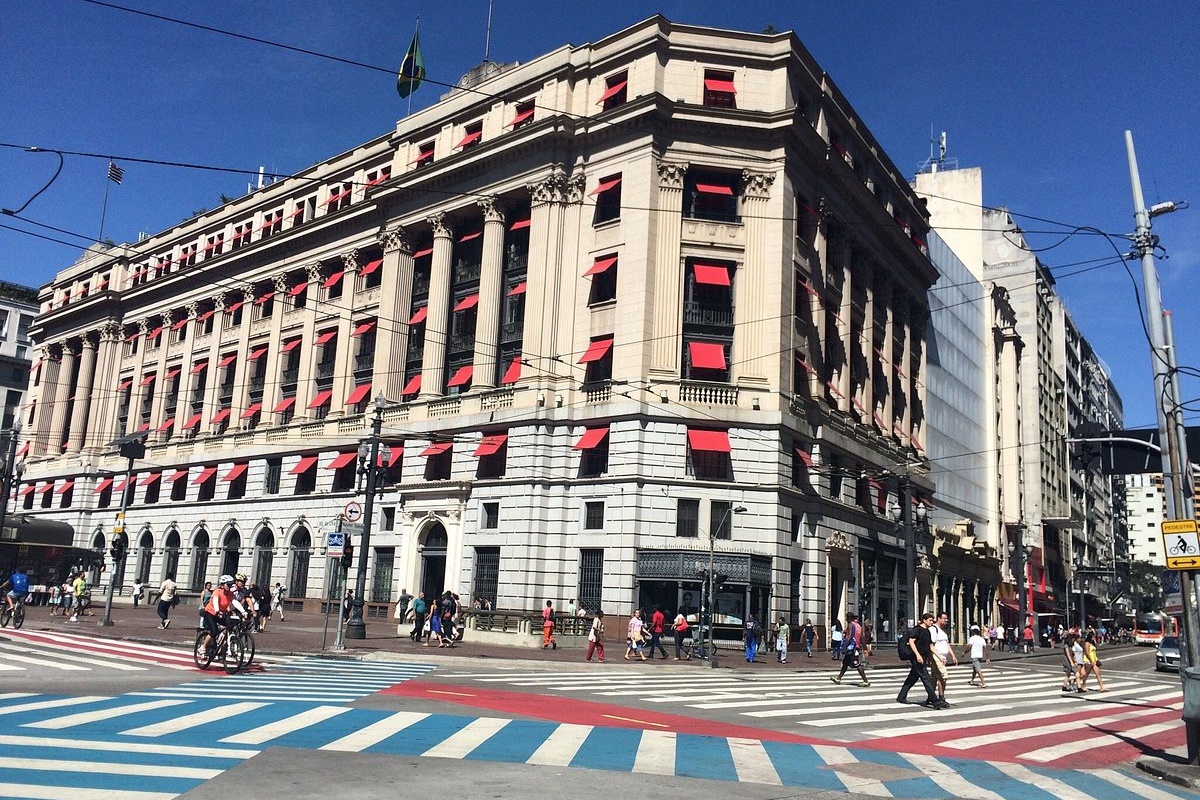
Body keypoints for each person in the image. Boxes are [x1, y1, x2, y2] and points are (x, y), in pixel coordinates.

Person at [897, 612, 947, 709]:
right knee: (926, 678)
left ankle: (901, 697)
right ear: (924, 620)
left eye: (932, 621)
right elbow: (911, 641)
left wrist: (939, 657)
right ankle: (935, 701)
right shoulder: (917, 630)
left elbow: (931, 646)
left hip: (923, 657)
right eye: (930, 620)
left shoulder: (927, 631)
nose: (931, 622)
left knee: (912, 678)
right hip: (916, 657)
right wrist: (917, 655)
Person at [830, 612, 870, 686]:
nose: (845, 618)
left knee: (857, 663)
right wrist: (865, 649)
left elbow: (850, 636)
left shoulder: (851, 624)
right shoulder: (858, 626)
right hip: (855, 647)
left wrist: (844, 647)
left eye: (846, 617)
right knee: (845, 663)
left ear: (848, 618)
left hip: (852, 648)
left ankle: (865, 681)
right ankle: (838, 678)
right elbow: (862, 637)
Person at [931, 611, 958, 701]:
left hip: (942, 657)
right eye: (944, 618)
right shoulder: (933, 629)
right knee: (943, 676)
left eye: (947, 618)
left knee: (935, 678)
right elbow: (931, 645)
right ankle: (941, 697)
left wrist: (953, 655)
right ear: (938, 618)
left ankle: (931, 697)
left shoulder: (943, 630)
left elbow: (947, 644)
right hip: (937, 656)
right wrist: (939, 657)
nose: (946, 620)